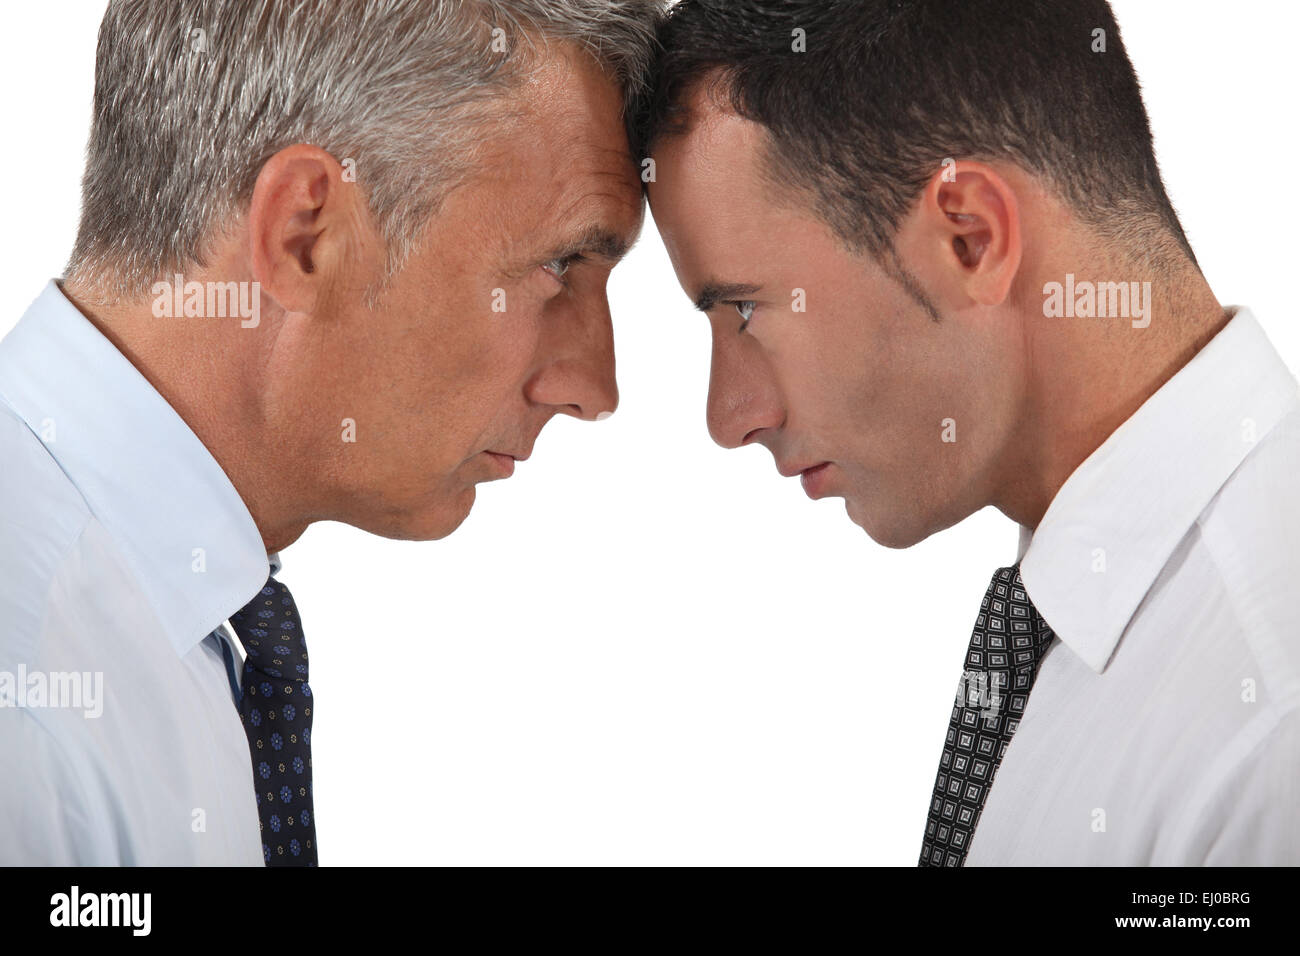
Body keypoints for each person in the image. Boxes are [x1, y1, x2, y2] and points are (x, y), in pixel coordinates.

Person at [633, 0, 1300, 864]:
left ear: (970, 238)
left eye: (745, 310)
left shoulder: (1270, 728)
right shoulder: (1103, 631)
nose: (729, 416)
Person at [0, 0, 661, 865]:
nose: (594, 390)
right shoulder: (27, 694)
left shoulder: (133, 630)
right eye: (560, 264)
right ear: (305, 234)